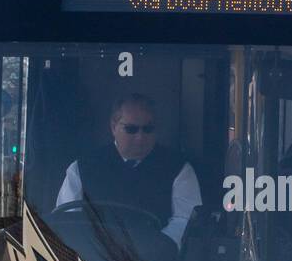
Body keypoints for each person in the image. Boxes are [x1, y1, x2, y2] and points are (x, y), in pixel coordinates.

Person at [55, 93, 202, 247]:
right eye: (131, 129)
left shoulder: (179, 169)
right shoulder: (82, 168)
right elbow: (67, 220)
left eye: (148, 129)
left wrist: (159, 247)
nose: (140, 137)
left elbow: (184, 220)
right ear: (113, 127)